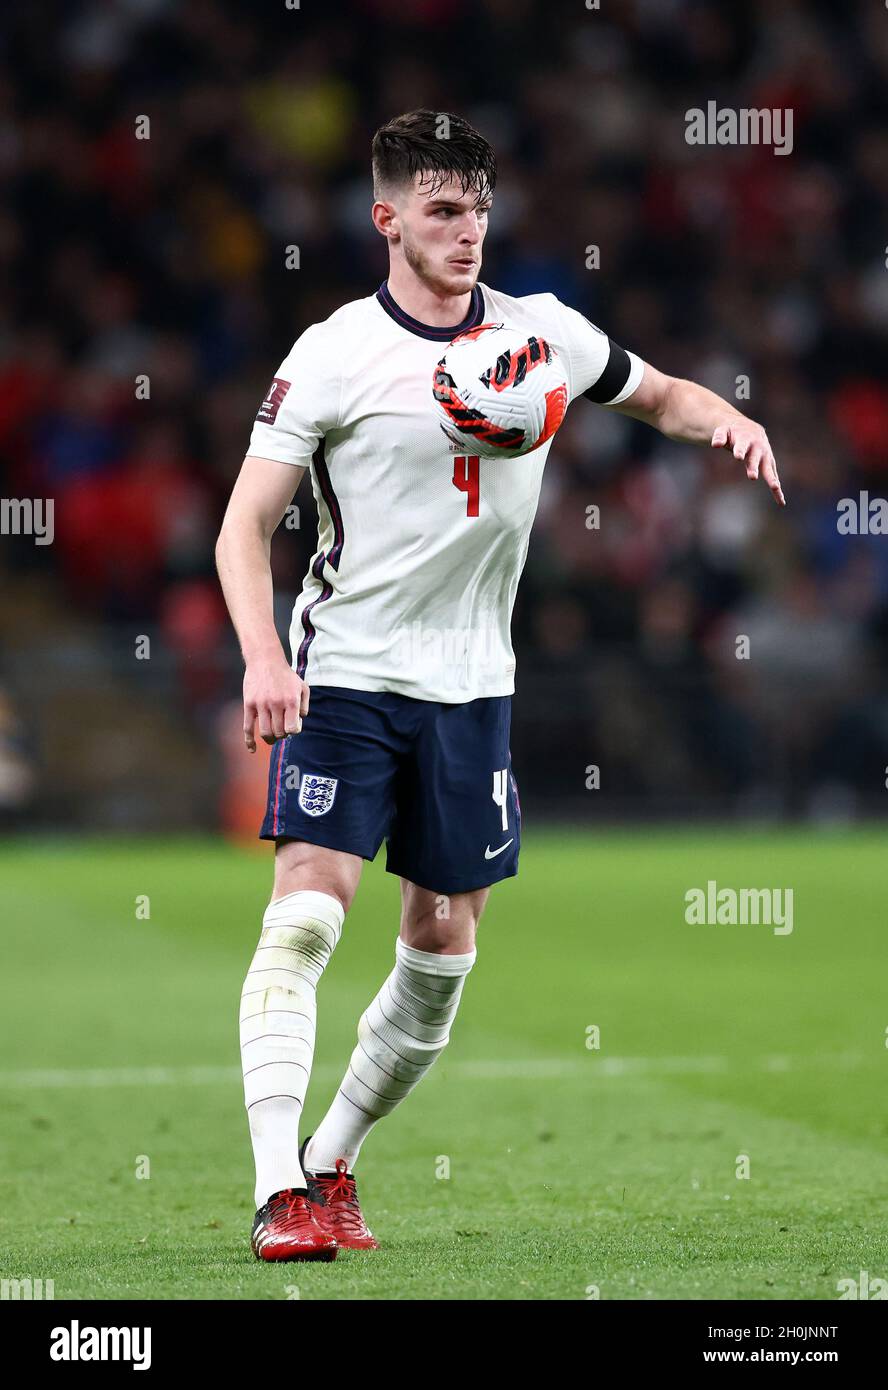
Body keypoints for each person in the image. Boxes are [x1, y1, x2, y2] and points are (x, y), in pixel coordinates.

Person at [215, 108, 785, 1262]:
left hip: (474, 689)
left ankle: (332, 1164)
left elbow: (659, 391)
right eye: (440, 210)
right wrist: (264, 652)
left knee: (442, 955)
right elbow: (244, 526)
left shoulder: (543, 336)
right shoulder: (333, 352)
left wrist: (724, 416)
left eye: (477, 208)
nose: (466, 231)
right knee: (309, 913)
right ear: (386, 219)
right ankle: (278, 1188)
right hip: (349, 673)